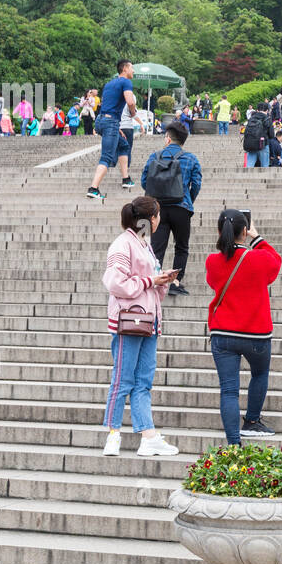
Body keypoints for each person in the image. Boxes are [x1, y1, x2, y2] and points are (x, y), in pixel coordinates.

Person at [101, 196, 180, 457]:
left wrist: (162, 280)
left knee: (144, 380)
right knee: (122, 379)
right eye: (157, 215)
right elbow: (115, 282)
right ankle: (113, 434)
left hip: (148, 321)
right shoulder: (123, 245)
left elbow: (150, 287)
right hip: (130, 321)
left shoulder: (143, 245)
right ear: (150, 219)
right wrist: (150, 280)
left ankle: (148, 436)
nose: (159, 220)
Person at [206, 208, 282, 443]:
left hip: (223, 332)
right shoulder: (259, 259)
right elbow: (276, 262)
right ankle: (251, 420)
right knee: (259, 374)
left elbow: (213, 282)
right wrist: (257, 238)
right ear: (244, 231)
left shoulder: (212, 261)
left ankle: (233, 443)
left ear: (220, 231)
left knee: (228, 390)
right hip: (256, 333)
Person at [142, 122, 201, 298]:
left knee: (157, 247)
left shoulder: (155, 156)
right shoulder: (191, 158)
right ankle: (175, 282)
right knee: (181, 247)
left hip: (157, 209)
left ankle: (156, 280)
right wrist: (188, 199)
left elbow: (145, 180)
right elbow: (196, 184)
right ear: (183, 141)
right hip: (181, 207)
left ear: (168, 138)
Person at [88, 60, 138, 200]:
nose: (133, 71)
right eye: (132, 68)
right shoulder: (126, 82)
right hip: (110, 122)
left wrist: (116, 127)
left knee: (124, 145)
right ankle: (94, 188)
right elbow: (130, 102)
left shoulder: (109, 84)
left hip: (101, 120)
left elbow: (107, 104)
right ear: (125, 69)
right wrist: (133, 112)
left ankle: (126, 178)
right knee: (107, 157)